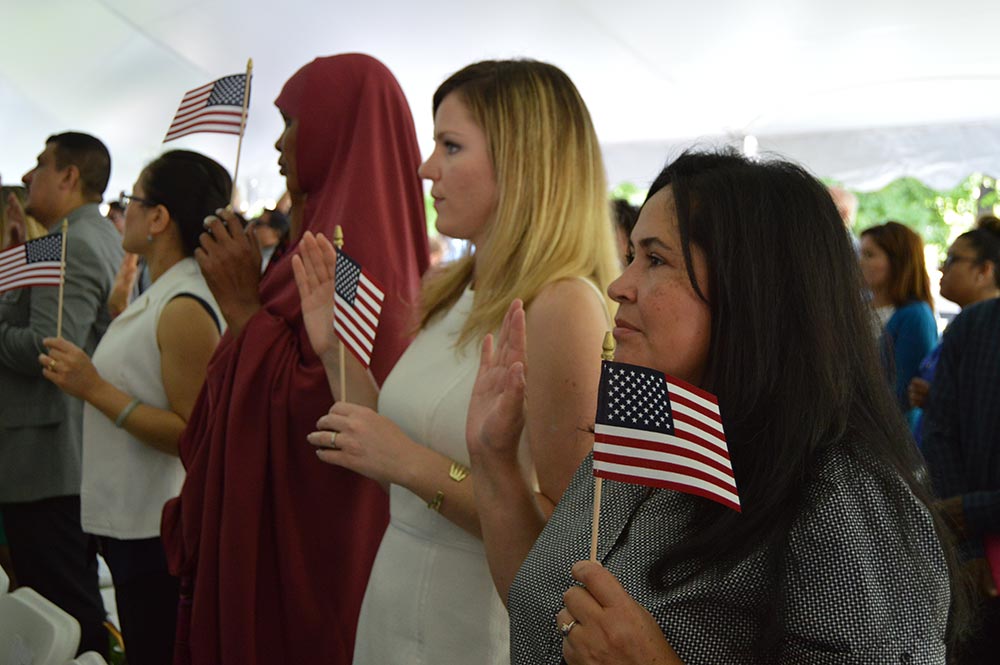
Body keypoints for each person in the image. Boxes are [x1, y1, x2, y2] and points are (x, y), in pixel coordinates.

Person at [467, 150, 965, 664]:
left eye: (655, 259)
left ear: (753, 287)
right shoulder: (644, 434)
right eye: (631, 255)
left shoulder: (842, 494)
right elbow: (552, 620)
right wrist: (493, 457)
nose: (619, 285)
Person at [298, 59, 619, 664]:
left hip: (477, 624)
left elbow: (567, 539)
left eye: (451, 146)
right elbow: (387, 437)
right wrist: (332, 347)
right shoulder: (455, 285)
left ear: (523, 161)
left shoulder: (565, 305)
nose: (426, 169)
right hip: (398, 594)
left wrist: (413, 466)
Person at [160, 54, 429, 665]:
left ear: (335, 125)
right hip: (272, 525)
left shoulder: (353, 253)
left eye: (291, 122)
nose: (279, 143)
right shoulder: (316, 235)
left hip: (310, 548)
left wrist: (241, 308)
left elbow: (330, 407)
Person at [38, 150, 229, 665]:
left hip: (156, 527)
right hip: (134, 523)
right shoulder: (162, 292)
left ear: (160, 218)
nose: (125, 211)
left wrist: (92, 386)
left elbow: (193, 434)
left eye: (132, 200)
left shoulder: (185, 305)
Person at [0, 132, 122, 657]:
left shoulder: (65, 241)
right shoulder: (86, 234)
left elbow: (53, 350)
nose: (28, 177)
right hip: (55, 453)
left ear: (70, 177)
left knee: (61, 610)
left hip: (47, 458)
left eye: (39, 164)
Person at [922, 296, 1000, 664]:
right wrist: (966, 549)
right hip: (976, 568)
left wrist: (972, 512)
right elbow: (939, 432)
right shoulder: (974, 325)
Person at [907, 219, 1000, 445]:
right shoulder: (963, 326)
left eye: (952, 260)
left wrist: (937, 398)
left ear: (984, 270)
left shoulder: (990, 335)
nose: (942, 268)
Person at [859, 221, 938, 430]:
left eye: (869, 255)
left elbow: (903, 394)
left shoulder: (914, 315)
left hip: (889, 438)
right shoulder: (857, 308)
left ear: (897, 262)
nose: (859, 262)